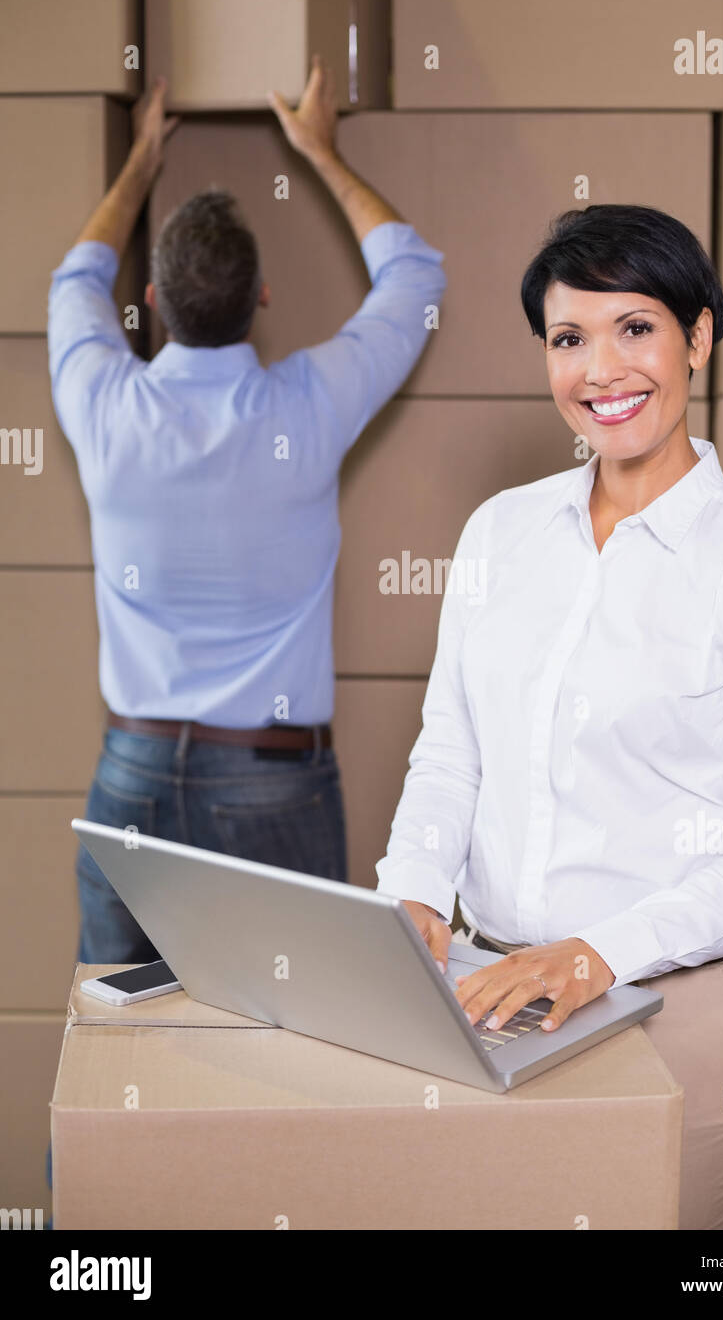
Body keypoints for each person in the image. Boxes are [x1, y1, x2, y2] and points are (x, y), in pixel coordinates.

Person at [375, 203, 723, 1230]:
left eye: (635, 327)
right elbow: (452, 747)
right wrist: (410, 887)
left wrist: (592, 954)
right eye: (568, 339)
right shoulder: (500, 532)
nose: (601, 370)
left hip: (677, 1019)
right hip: (485, 994)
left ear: (700, 336)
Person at [49, 58, 446, 964]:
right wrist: (320, 149)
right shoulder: (307, 407)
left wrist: (140, 161)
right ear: (259, 301)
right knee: (288, 1062)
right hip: (275, 781)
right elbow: (416, 280)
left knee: (122, 1071)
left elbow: (75, 278)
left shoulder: (104, 407)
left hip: (134, 782)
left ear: (149, 303)